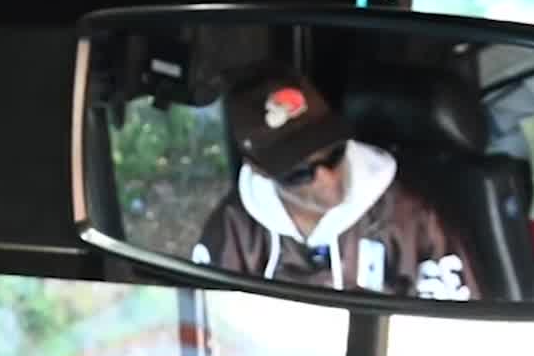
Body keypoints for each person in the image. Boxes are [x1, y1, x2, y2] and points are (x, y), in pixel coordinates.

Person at [192, 67, 485, 300]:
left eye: (334, 155)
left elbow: (457, 328)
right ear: (261, 172)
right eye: (300, 173)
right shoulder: (235, 230)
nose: (327, 178)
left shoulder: (411, 218)